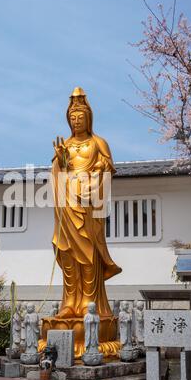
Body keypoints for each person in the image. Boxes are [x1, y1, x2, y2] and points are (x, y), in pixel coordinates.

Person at [52, 87, 122, 319]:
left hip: (90, 204)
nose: (76, 121)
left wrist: (100, 170)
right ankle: (70, 302)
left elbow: (108, 168)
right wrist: (60, 160)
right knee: (67, 251)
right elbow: (57, 172)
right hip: (67, 204)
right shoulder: (66, 145)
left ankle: (89, 301)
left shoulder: (98, 142)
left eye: (80, 117)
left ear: (88, 118)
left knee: (88, 250)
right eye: (73, 118)